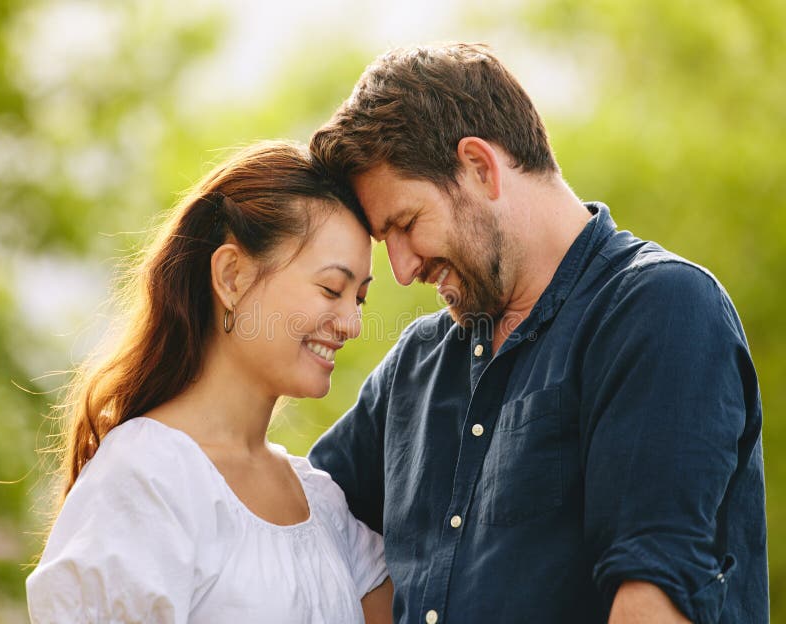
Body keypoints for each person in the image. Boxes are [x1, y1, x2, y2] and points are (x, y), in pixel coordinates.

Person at [307, 43, 768, 623]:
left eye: (407, 223)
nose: (401, 269)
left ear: (480, 167)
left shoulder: (660, 309)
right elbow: (300, 523)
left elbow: (652, 601)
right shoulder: (415, 366)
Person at [26, 141, 394, 623]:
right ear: (232, 276)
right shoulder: (146, 476)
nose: (351, 324)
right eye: (331, 289)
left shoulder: (322, 503)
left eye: (359, 299)